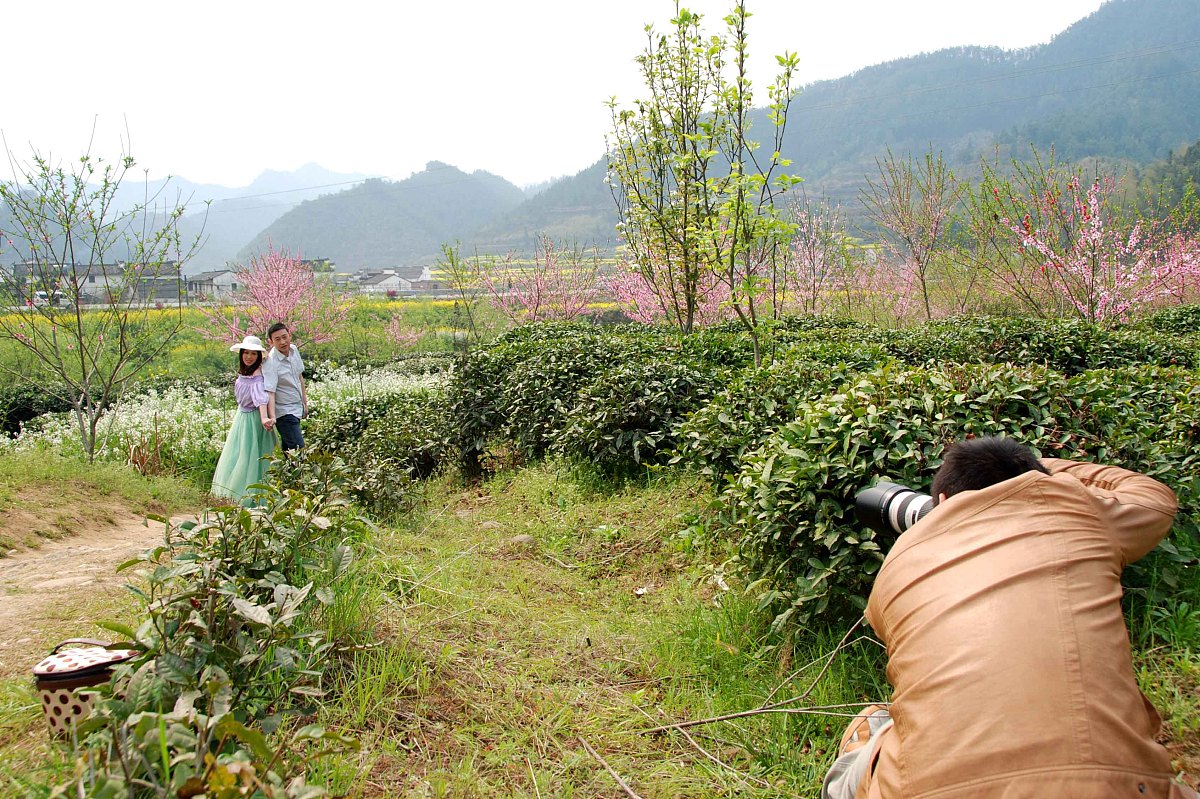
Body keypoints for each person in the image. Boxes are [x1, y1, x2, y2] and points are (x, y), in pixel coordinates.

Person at [824, 436, 1196, 799]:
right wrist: (1029, 467)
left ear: (942, 502)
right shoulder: (1078, 511)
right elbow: (1156, 498)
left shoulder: (899, 560)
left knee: (870, 736)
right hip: (1115, 787)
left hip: (930, 788)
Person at [210, 335, 277, 505]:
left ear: (259, 356)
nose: (249, 357)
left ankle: (250, 497)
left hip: (253, 420)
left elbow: (261, 398)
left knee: (250, 457)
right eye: (246, 353)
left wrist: (264, 417)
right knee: (238, 455)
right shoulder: (244, 372)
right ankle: (232, 496)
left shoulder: (257, 374)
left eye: (253, 354)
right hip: (241, 417)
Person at [262, 322, 308, 451]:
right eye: (277, 339)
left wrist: (304, 403)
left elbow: (299, 377)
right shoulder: (270, 362)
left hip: (296, 407)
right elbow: (270, 392)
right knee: (299, 450)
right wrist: (272, 417)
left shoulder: (294, 350)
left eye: (284, 337)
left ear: (289, 335)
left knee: (289, 451)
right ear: (270, 342)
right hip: (283, 412)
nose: (282, 342)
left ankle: (287, 464)